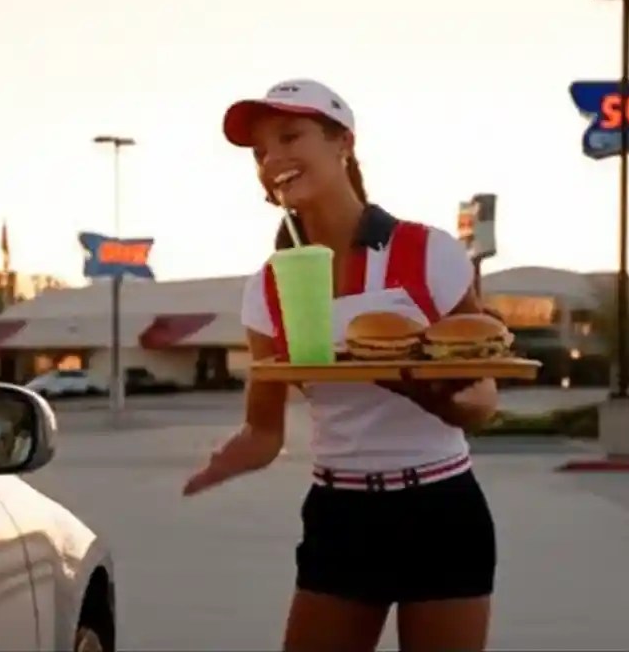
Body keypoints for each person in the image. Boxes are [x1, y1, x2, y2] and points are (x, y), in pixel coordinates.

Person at [182, 79, 500, 652]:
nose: (273, 159)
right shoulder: (268, 288)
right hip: (341, 514)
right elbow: (265, 428)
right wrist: (225, 462)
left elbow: (483, 400)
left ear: (343, 143)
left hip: (442, 509)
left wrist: (432, 396)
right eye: (260, 152)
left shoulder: (427, 253)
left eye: (289, 137)